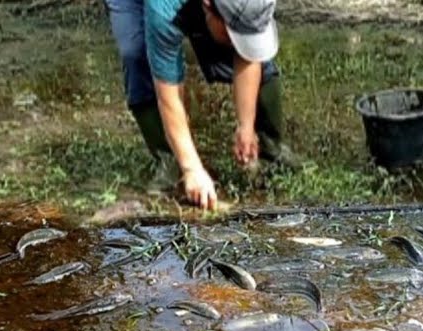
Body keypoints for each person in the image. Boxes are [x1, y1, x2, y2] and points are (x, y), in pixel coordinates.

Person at [104, 0, 298, 210]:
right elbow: (169, 96)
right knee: (137, 55)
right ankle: (169, 159)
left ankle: (272, 149)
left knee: (248, 42)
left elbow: (249, 52)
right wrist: (191, 168)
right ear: (207, 5)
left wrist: (246, 125)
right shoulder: (165, 10)